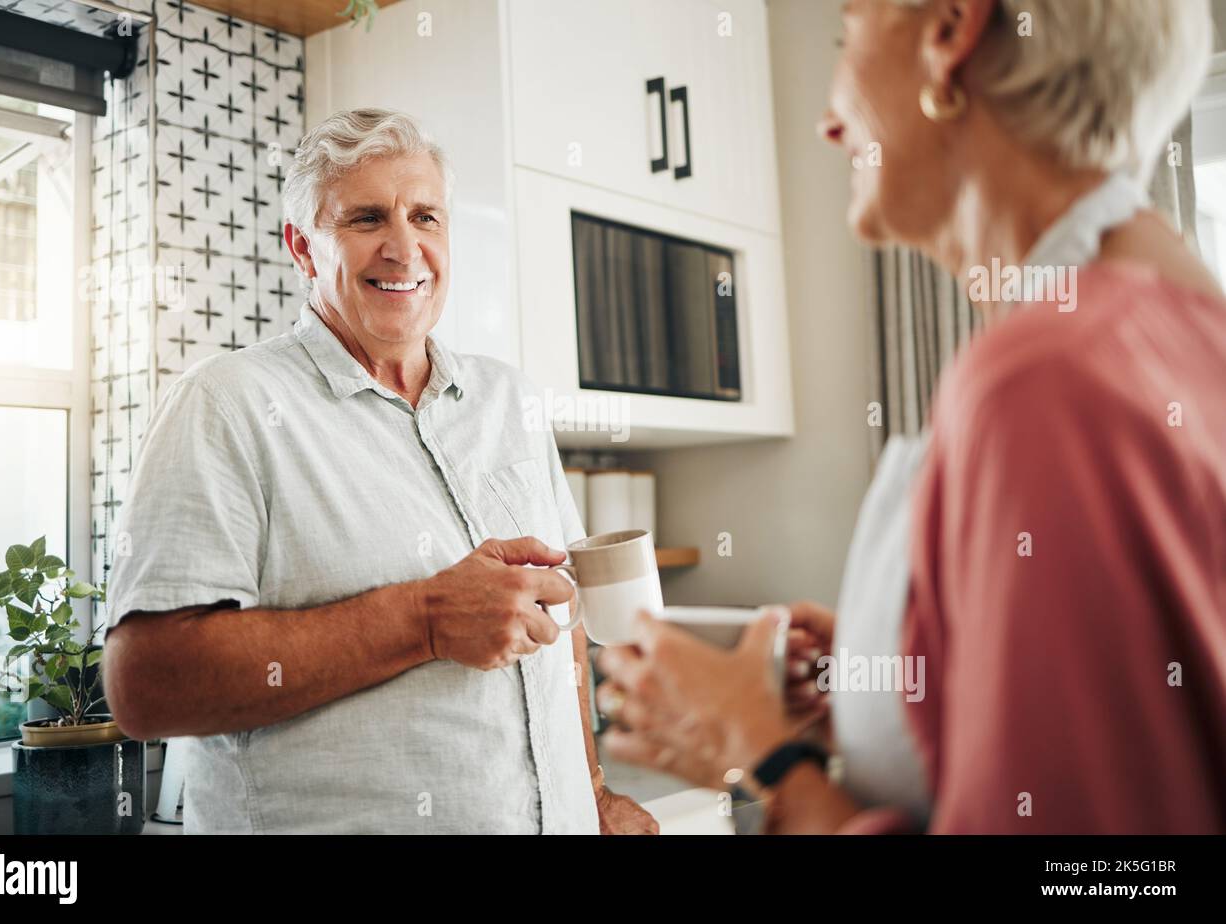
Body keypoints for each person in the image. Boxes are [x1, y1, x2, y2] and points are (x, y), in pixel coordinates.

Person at [596, 0, 1226, 834]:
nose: (827, 123)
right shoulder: (1176, 324)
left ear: (949, 33)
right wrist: (894, 670)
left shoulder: (1041, 383)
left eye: (845, 37)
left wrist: (762, 752)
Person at [103, 108, 656, 834]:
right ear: (303, 249)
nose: (404, 247)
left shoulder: (509, 399)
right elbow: (146, 685)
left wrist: (594, 790)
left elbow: (565, 625)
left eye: (425, 216)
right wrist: (424, 620)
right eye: (366, 219)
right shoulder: (227, 402)